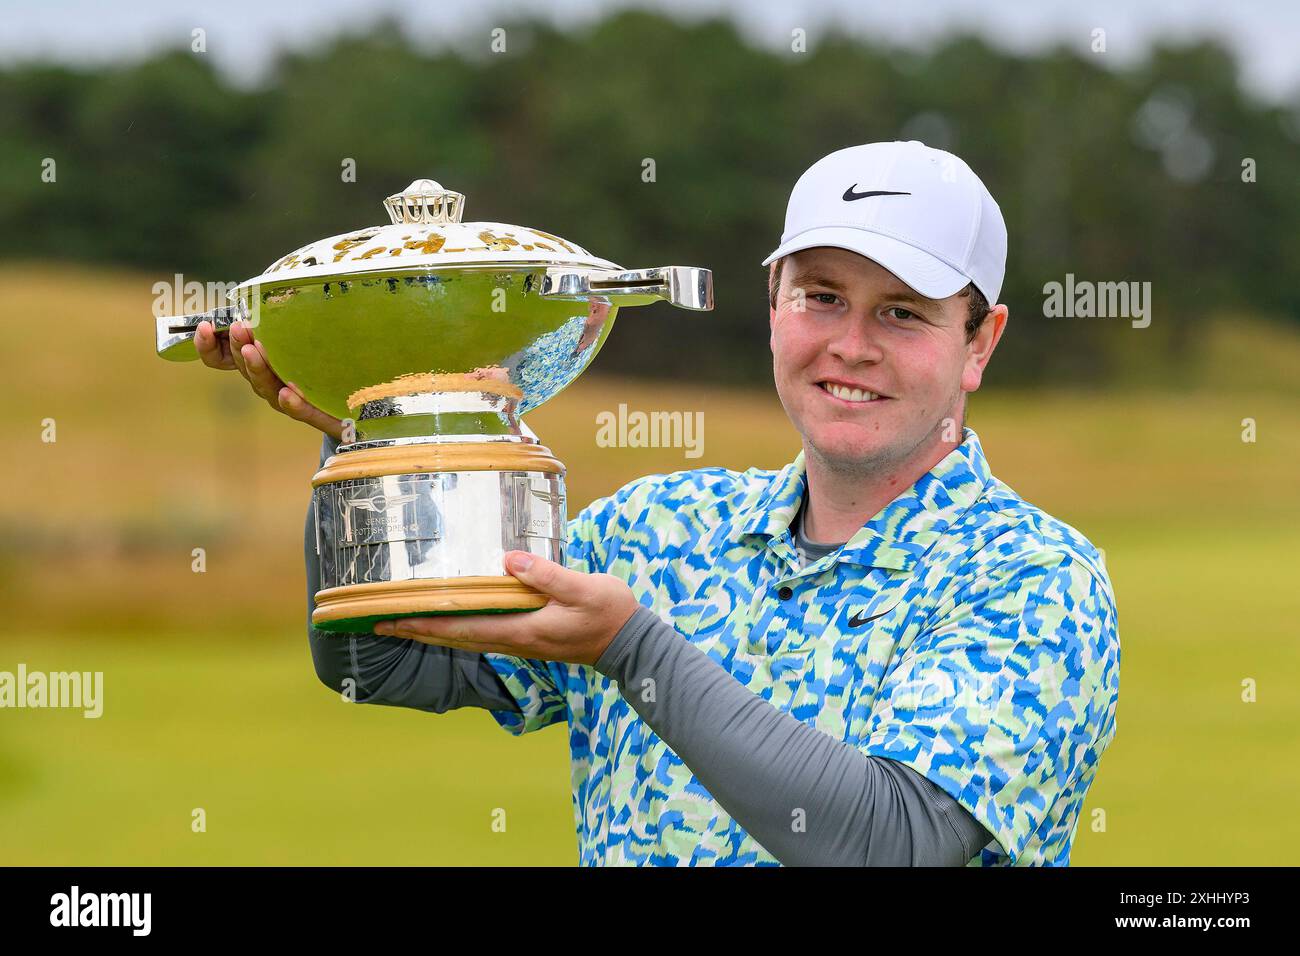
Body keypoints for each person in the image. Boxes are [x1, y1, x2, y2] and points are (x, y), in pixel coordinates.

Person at [196, 141, 1120, 866]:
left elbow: (887, 844)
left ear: (979, 342)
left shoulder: (1037, 579)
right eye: (822, 297)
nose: (851, 344)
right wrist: (374, 439)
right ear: (773, 307)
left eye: (903, 312)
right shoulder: (658, 530)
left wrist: (632, 651)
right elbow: (379, 666)